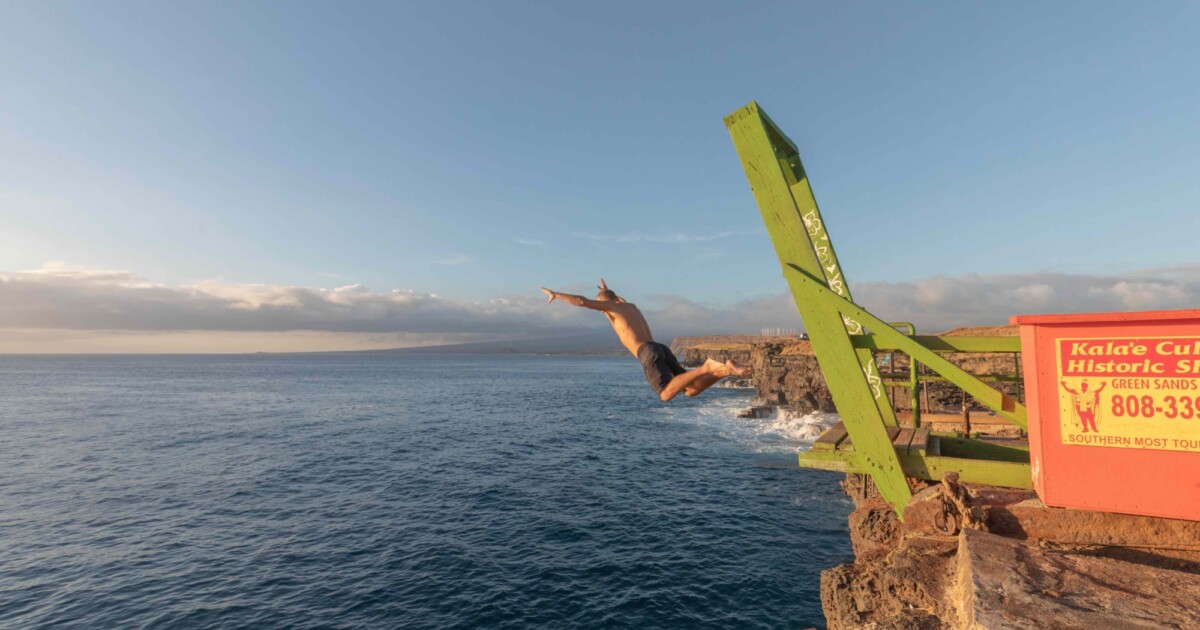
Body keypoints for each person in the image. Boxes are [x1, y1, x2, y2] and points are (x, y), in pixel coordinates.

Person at [540, 278, 751, 402]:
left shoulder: (613, 307)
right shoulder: (630, 307)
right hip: (659, 347)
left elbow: (580, 302)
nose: (600, 310)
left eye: (600, 304)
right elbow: (614, 302)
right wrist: (606, 291)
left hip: (647, 351)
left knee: (666, 394)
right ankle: (724, 370)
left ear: (605, 302)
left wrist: (556, 294)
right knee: (690, 390)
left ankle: (707, 367)